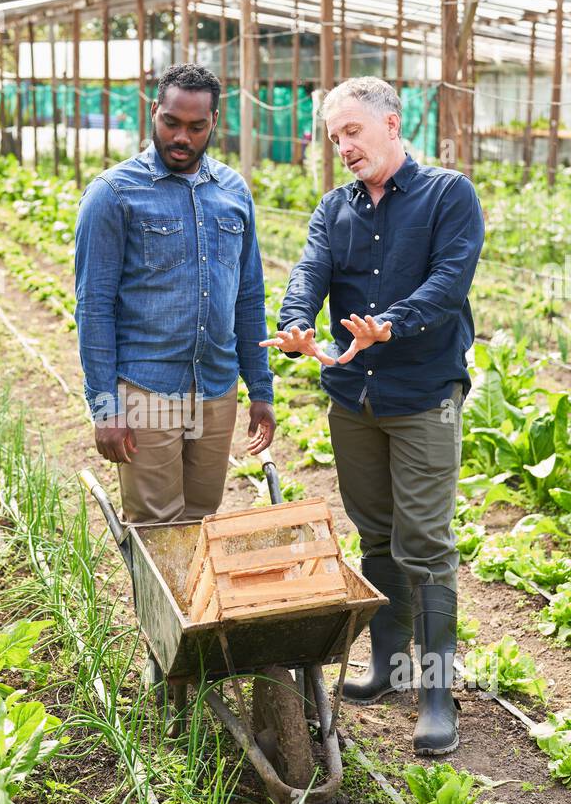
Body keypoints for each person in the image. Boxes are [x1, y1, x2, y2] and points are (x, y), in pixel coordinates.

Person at [262, 77, 484, 755]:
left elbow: (449, 282)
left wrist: (389, 324)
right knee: (376, 534)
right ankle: (388, 664)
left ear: (391, 123)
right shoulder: (336, 209)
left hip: (422, 397)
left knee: (427, 544)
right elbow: (310, 271)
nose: (343, 147)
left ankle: (437, 690)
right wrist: (298, 322)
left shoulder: (449, 195)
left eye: (352, 132)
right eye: (335, 138)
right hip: (352, 399)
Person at [74, 64, 275, 524]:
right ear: (153, 112)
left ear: (214, 123)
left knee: (204, 519)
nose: (181, 137)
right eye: (171, 122)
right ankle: (160, 600)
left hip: (216, 387)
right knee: (156, 525)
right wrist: (105, 407)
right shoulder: (113, 194)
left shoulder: (233, 192)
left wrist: (260, 388)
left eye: (195, 126)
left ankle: (196, 601)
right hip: (146, 387)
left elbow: (248, 297)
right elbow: (94, 307)